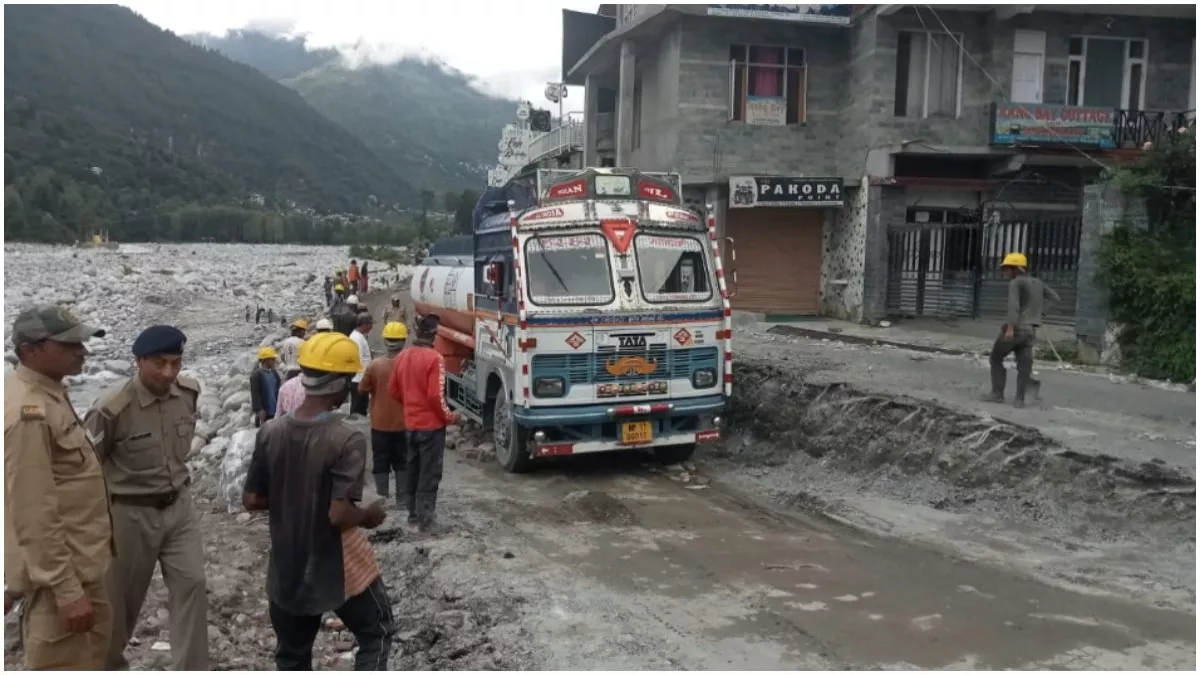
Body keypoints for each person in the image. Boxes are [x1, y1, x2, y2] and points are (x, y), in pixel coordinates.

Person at [242, 332, 395, 670]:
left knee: (292, 654)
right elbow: (339, 515)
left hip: (287, 565)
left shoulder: (270, 432)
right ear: (338, 384)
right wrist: (368, 514)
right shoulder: (347, 437)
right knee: (377, 630)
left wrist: (293, 497)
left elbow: (252, 499)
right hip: (336, 563)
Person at [85, 325, 208, 670]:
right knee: (119, 604)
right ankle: (108, 665)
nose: (168, 372)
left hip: (179, 507)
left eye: (175, 363)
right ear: (138, 361)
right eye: (159, 363)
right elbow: (86, 470)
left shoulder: (188, 393)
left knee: (193, 584)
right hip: (128, 514)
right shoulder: (111, 408)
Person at [4, 304, 113, 670]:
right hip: (61, 582)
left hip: (80, 568)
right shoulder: (28, 412)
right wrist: (66, 590)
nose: (82, 351)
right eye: (69, 345)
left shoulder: (48, 391)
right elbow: (32, 511)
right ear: (30, 350)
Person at [388, 314, 460, 535]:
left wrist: (410, 405)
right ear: (434, 336)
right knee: (429, 473)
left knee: (413, 469)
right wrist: (449, 417)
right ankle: (426, 522)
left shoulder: (402, 356)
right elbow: (435, 396)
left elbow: (393, 390)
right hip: (431, 428)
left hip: (410, 425)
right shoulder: (435, 358)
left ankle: (413, 515)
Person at [985, 252, 1061, 408]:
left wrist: (1010, 328)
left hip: (1017, 329)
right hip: (1030, 332)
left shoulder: (1016, 283)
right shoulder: (1038, 283)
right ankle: (1020, 400)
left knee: (996, 358)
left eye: (1007, 268)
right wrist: (1040, 313)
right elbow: (1055, 298)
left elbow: (1013, 307)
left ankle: (997, 394)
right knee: (1024, 365)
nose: (1005, 272)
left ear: (1016, 269)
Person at [359, 322, 409, 512]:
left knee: (381, 460)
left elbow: (362, 388)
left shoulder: (375, 365)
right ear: (403, 341)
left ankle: (382, 498)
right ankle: (402, 498)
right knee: (402, 460)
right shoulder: (408, 365)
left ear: (385, 340)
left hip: (380, 423)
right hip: (404, 422)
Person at [349, 313, 374, 416]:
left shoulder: (358, 336)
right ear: (364, 324)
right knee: (358, 407)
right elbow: (357, 359)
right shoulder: (357, 338)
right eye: (370, 324)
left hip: (361, 377)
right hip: (359, 378)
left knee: (361, 405)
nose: (371, 327)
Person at [250, 346, 282, 427]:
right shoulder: (256, 375)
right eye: (272, 359)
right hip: (265, 412)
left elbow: (279, 388)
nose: (274, 361)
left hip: (275, 410)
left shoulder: (274, 373)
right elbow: (255, 394)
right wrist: (259, 409)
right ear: (266, 360)